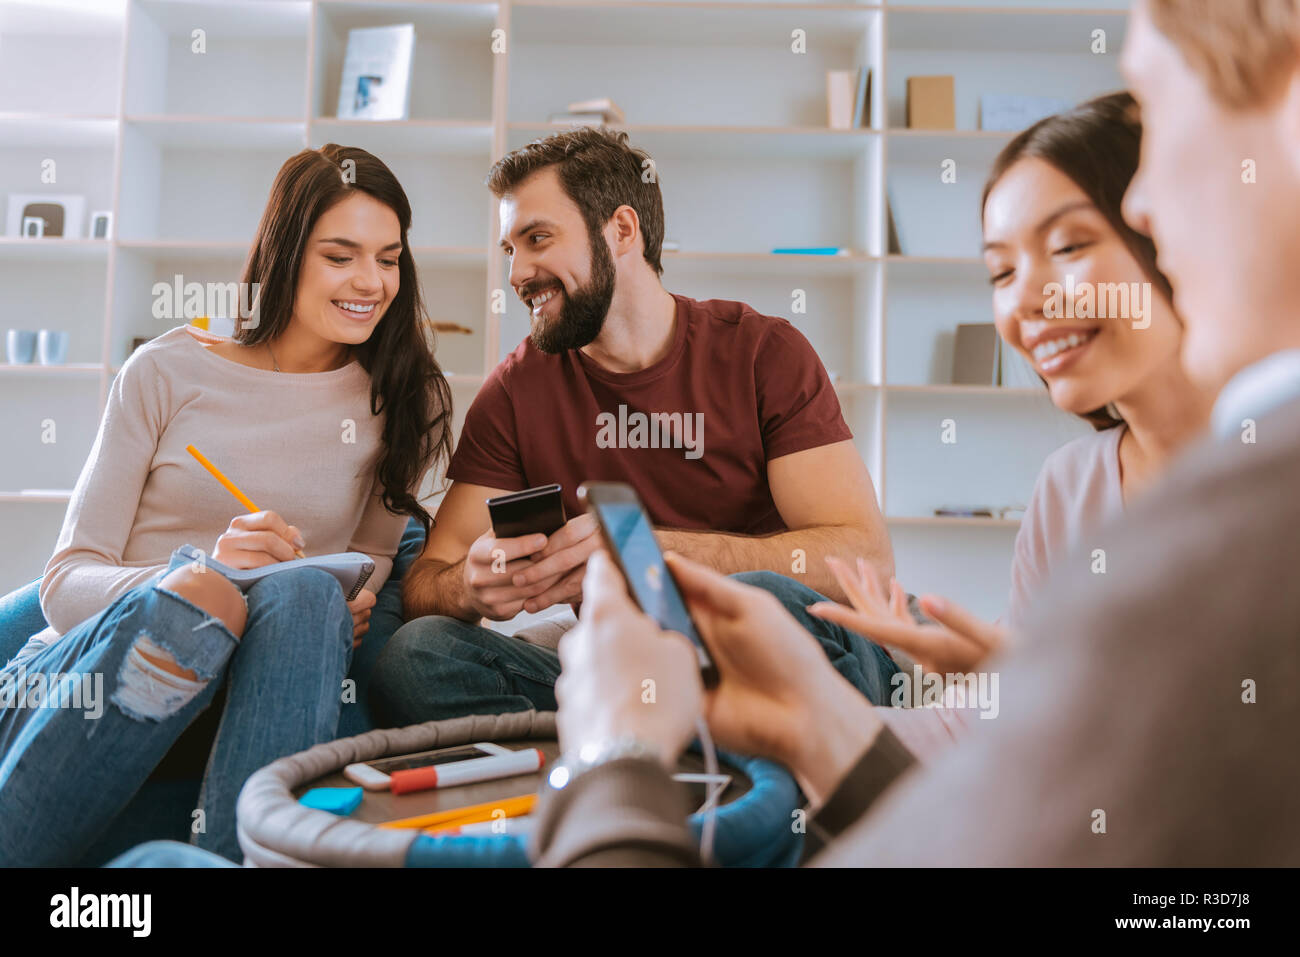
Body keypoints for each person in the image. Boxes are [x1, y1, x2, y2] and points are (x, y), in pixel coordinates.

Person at [525, 0, 1300, 866]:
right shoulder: (1091, 487)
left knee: (785, 613)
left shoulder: (1262, 510)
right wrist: (821, 716)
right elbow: (1028, 784)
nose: (1152, 203)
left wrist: (616, 763)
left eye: (1073, 243)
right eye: (1000, 269)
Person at [0, 144, 453, 865]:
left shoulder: (400, 398)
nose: (371, 281)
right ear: (285, 253)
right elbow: (63, 585)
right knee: (209, 600)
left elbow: (364, 564)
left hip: (256, 686)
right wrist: (206, 571)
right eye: (341, 256)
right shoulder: (166, 371)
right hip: (91, 677)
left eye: (389, 257)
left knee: (306, 591)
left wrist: (353, 603)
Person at [371, 127, 898, 725]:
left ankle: (640, 746)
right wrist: (468, 586)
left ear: (622, 230)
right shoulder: (516, 391)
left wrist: (655, 553)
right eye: (509, 250)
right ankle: (655, 745)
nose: (517, 273)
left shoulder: (763, 353)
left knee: (771, 599)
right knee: (419, 656)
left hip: (770, 652)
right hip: (628, 666)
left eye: (537, 239)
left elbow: (865, 561)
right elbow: (426, 585)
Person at [807, 93, 1216, 758]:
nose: (1024, 299)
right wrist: (795, 725)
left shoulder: (1271, 469)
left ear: (1173, 235)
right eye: (1001, 269)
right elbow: (976, 728)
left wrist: (1046, 683)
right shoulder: (1072, 485)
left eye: (1069, 245)